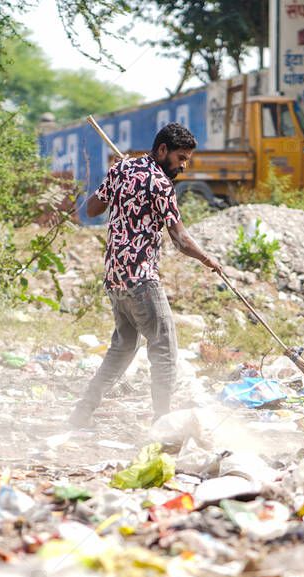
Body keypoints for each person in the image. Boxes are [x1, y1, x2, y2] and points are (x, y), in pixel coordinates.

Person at [69, 122, 222, 428]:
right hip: (140, 277)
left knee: (123, 347)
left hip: (115, 277)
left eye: (187, 160)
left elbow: (92, 209)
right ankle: (162, 423)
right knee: (164, 347)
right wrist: (209, 260)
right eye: (180, 158)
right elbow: (180, 238)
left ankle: (80, 414)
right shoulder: (161, 184)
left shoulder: (122, 170)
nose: (183, 166)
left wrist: (117, 179)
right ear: (162, 149)